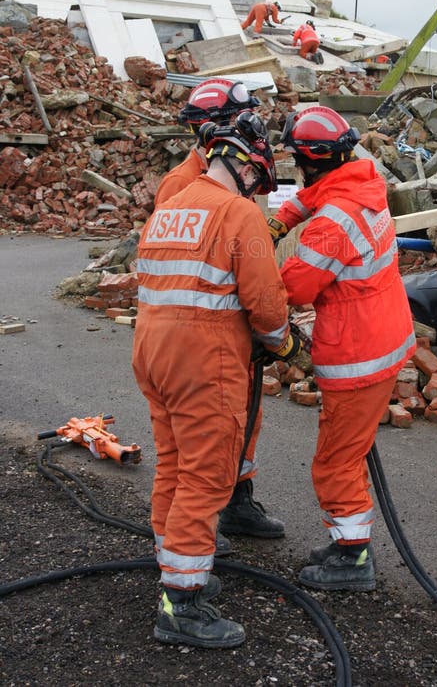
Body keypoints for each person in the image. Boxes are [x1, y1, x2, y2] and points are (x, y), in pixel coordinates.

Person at [132, 112, 302, 648]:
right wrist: (285, 343)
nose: (257, 194)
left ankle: (173, 566)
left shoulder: (170, 206)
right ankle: (181, 604)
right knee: (206, 478)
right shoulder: (237, 213)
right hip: (204, 362)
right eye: (258, 183)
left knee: (174, 464)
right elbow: (264, 301)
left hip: (153, 354)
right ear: (248, 169)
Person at [277, 107, 416, 591]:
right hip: (385, 335)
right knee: (349, 451)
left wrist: (254, 279)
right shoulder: (363, 183)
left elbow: (296, 287)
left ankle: (353, 556)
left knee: (336, 460)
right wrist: (281, 220)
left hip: (357, 353)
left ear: (307, 162)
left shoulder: (332, 224)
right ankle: (347, 544)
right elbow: (316, 196)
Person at [153, 79, 286, 543]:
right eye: (238, 120)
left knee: (243, 418)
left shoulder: (236, 172)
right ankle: (191, 533)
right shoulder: (182, 184)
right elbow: (182, 271)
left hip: (231, 329)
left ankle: (236, 501)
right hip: (202, 336)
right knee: (197, 437)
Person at [153, 78, 260, 208]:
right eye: (235, 122)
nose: (243, 131)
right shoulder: (180, 181)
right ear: (209, 127)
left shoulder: (238, 170)